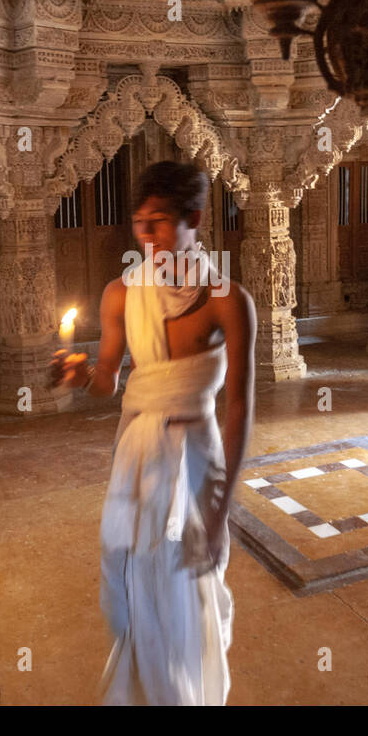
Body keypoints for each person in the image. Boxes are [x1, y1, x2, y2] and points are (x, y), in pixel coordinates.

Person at [51, 160, 256, 705]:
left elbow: (238, 406)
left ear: (194, 218)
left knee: (186, 586)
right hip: (138, 460)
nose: (147, 237)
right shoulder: (120, 293)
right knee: (135, 590)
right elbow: (108, 386)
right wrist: (79, 375)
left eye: (160, 221)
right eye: (140, 223)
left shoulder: (227, 301)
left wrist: (220, 511)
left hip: (195, 462)